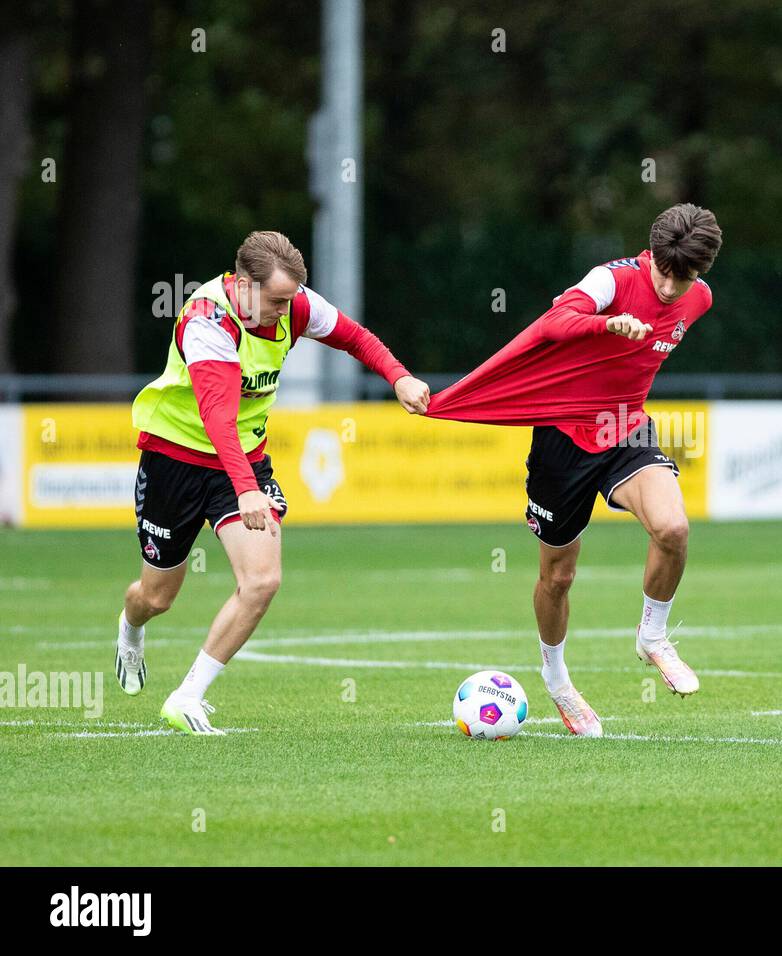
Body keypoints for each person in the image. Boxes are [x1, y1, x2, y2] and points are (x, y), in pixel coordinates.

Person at [423, 204, 722, 736]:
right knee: (558, 576)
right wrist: (608, 322)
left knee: (673, 527)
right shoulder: (612, 279)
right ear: (651, 254)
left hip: (626, 426)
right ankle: (557, 680)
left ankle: (652, 637)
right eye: (667, 273)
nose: (674, 287)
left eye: (688, 277)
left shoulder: (697, 298)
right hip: (562, 438)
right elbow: (555, 320)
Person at [120, 230, 430, 734]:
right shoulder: (208, 321)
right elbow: (217, 417)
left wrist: (398, 376)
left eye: (291, 300)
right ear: (242, 284)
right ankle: (130, 630)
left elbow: (355, 337)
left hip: (244, 461)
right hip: (174, 459)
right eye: (277, 300)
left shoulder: (297, 305)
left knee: (262, 579)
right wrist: (245, 489)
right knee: (156, 598)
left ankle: (187, 696)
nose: (287, 311)